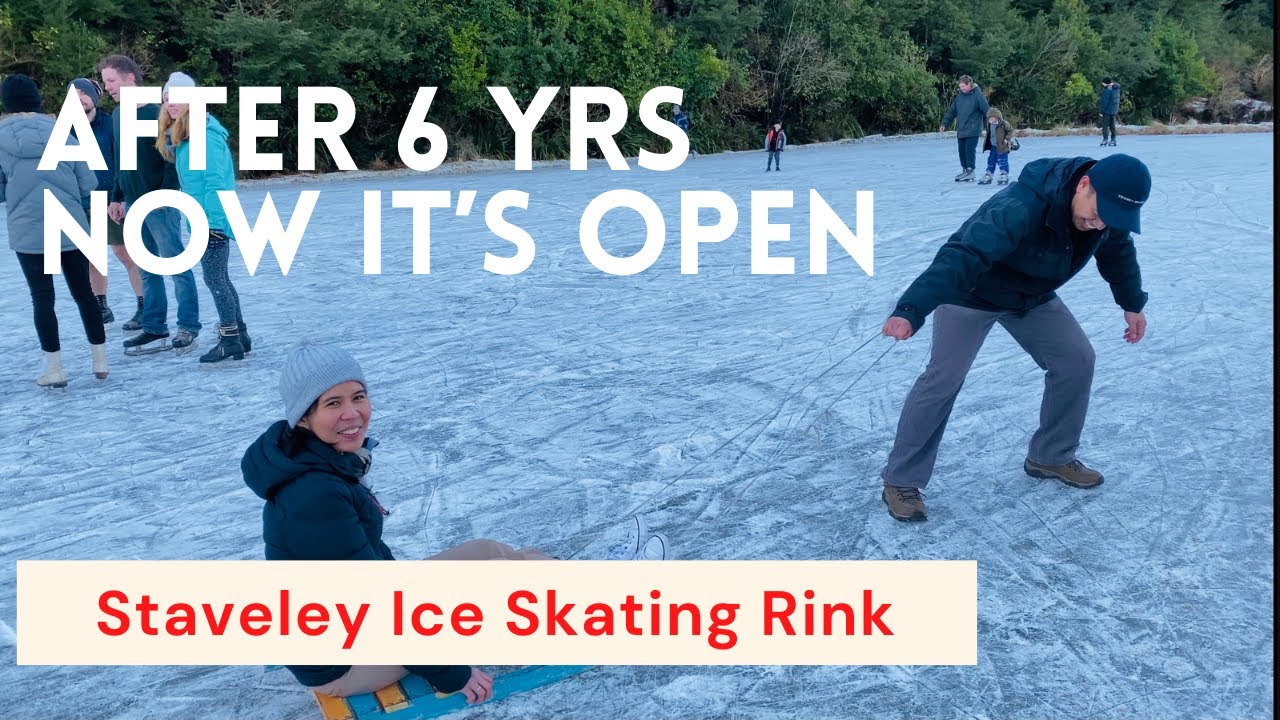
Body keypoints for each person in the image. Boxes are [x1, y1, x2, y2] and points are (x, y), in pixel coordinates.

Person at [242, 342, 669, 700]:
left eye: (358, 397)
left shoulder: (321, 462)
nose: (353, 413)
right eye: (333, 403)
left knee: (487, 553)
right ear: (303, 417)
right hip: (344, 661)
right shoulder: (314, 493)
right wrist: (451, 674)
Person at [878, 154, 1152, 522]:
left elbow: (1117, 252)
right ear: (1084, 184)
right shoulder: (1020, 206)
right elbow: (963, 255)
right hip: (972, 292)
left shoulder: (1105, 214)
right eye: (1098, 212)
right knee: (944, 376)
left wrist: (1132, 302)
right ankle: (901, 481)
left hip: (1031, 296)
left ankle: (1050, 456)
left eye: (1110, 219)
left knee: (1076, 360)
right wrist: (911, 309)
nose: (1098, 223)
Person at [0, 74, 108, 387]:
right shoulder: (63, 131)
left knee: (42, 298)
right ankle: (100, 361)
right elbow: (89, 182)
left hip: (28, 228)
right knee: (85, 294)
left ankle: (55, 369)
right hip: (70, 223)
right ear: (37, 100)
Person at [99, 54, 201, 355]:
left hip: (161, 204)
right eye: (105, 83)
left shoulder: (159, 112)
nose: (108, 88)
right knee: (146, 267)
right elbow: (121, 159)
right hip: (132, 201)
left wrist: (163, 196)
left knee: (176, 266)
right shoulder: (118, 114)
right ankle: (155, 328)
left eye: (112, 81)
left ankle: (188, 327)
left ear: (130, 78)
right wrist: (117, 196)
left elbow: (172, 160)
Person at [157, 72, 251, 364]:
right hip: (210, 217)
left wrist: (208, 224)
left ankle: (230, 338)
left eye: (179, 98)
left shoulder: (203, 136)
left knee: (214, 279)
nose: (172, 104)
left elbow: (215, 183)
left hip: (213, 219)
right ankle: (241, 335)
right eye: (168, 98)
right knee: (220, 277)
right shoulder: (189, 134)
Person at [67, 77, 144, 328]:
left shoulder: (111, 123)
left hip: (112, 198)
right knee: (93, 257)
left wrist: (119, 196)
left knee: (126, 253)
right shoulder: (65, 129)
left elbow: (124, 160)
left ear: (94, 97)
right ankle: (101, 306)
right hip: (82, 201)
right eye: (73, 94)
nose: (79, 98)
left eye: (83, 93)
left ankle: (144, 304)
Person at [939, 74, 990, 182]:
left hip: (973, 129)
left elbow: (987, 110)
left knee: (969, 150)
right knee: (961, 151)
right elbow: (952, 111)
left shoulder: (978, 95)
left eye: (963, 86)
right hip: (961, 129)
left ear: (969, 84)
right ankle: (965, 170)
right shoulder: (960, 96)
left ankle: (970, 171)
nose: (961, 89)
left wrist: (993, 122)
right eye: (960, 87)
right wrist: (944, 123)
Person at [978, 107, 1014, 186]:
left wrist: (1006, 139)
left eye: (992, 118)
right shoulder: (989, 124)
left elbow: (1011, 131)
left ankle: (1004, 174)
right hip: (993, 146)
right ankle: (989, 174)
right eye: (989, 118)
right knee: (991, 160)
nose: (990, 120)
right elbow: (989, 134)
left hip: (1002, 146)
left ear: (997, 117)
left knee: (1002, 161)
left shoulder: (1004, 123)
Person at [1099, 77, 1121, 147]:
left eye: (1103, 82)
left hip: (1107, 111)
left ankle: (1105, 139)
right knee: (1112, 125)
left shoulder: (1108, 89)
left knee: (1105, 125)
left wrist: (1101, 111)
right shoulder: (1116, 88)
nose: (1102, 84)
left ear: (1106, 83)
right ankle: (1113, 139)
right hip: (1114, 110)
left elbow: (1105, 102)